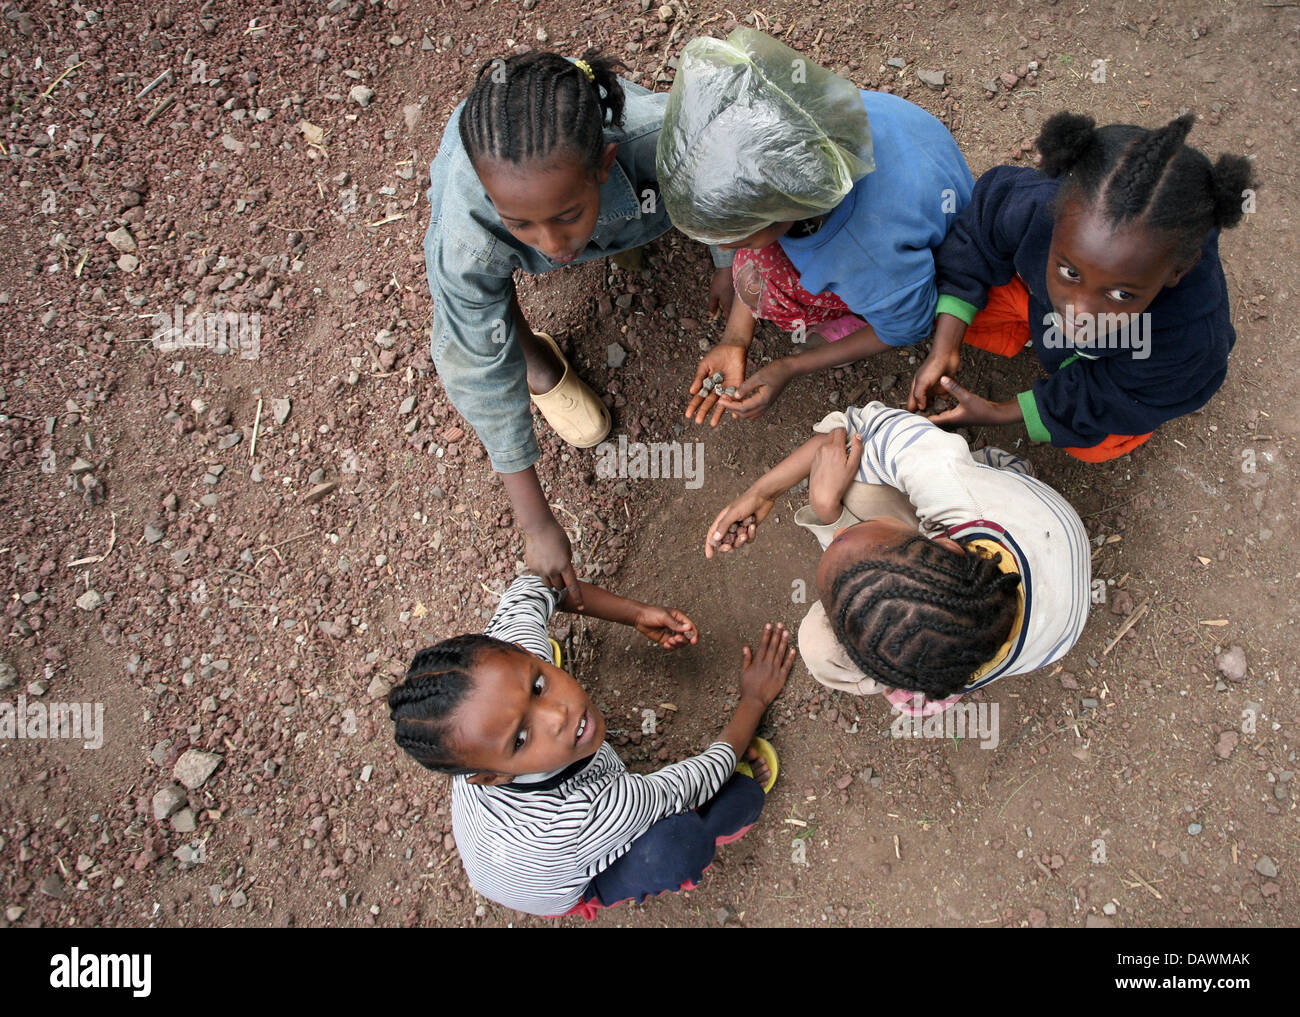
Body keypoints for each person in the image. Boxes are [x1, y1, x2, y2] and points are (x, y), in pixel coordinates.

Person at [425, 49, 734, 608]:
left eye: (567, 215)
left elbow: (720, 191)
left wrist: (726, 262)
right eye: (520, 223)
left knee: (650, 210)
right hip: (512, 195)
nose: (551, 245)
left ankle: (626, 238)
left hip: (624, 171)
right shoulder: (469, 225)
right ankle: (539, 362)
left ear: (605, 165)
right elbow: (475, 355)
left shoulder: (660, 139)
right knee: (487, 292)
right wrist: (536, 523)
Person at [388, 572, 794, 918]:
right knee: (683, 837)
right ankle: (712, 828)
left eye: (537, 685)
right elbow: (691, 783)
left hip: (503, 847)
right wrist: (753, 701)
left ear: (517, 648)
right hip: (558, 878)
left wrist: (636, 614)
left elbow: (544, 581)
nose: (558, 715)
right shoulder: (584, 816)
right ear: (492, 777)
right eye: (521, 738)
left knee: (520, 688)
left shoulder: (507, 654)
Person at [656, 29, 973, 426]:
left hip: (921, 260)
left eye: (740, 238)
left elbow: (908, 326)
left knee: (767, 282)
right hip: (917, 164)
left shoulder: (863, 255)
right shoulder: (805, 118)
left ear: (787, 203)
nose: (732, 248)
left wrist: (792, 365)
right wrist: (735, 338)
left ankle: (856, 315)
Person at [908, 111, 1258, 461]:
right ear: (1055, 215)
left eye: (1121, 294)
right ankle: (1037, 333)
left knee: (1094, 443)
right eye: (1070, 272)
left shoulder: (1190, 339)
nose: (1081, 311)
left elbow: (1117, 396)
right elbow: (976, 238)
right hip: (1039, 310)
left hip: (1132, 357)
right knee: (945, 307)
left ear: (1177, 273)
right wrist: (944, 346)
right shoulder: (1031, 208)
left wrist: (1004, 411)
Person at [705, 402, 1090, 715]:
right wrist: (773, 494)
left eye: (839, 533)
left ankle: (912, 688)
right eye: (846, 530)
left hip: (1048, 610)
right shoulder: (958, 498)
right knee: (857, 488)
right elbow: (867, 429)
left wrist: (826, 508)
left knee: (819, 648)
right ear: (947, 545)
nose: (837, 532)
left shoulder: (955, 643)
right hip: (1037, 536)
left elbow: (854, 433)